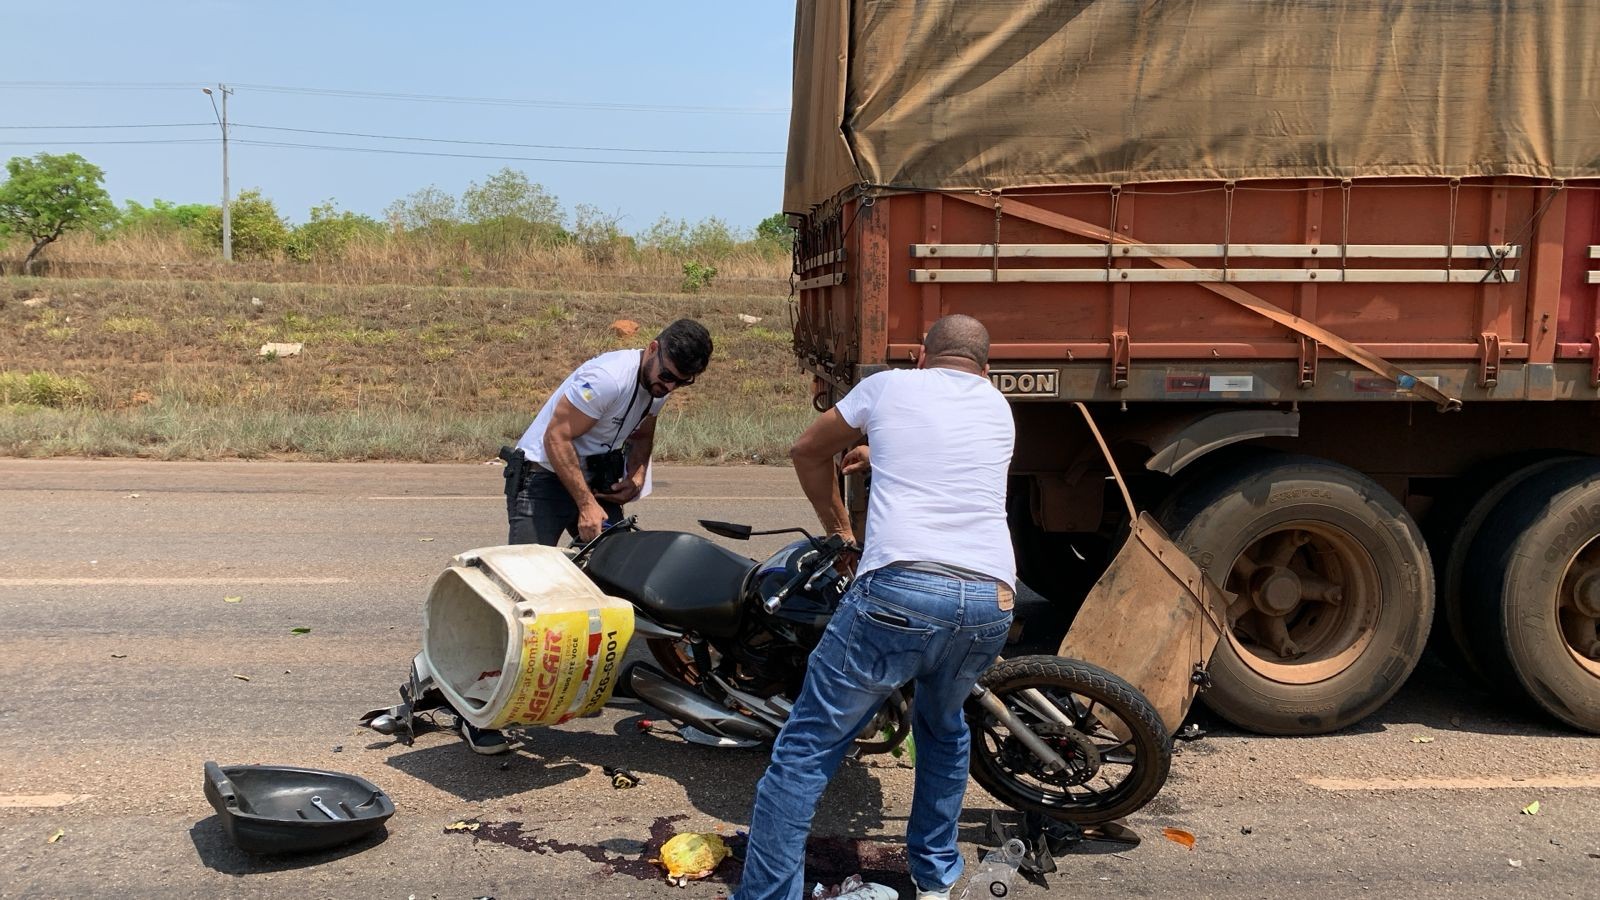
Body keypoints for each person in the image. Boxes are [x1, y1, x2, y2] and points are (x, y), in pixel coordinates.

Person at [733, 314, 1016, 900]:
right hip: (990, 598)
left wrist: (841, 532)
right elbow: (943, 459)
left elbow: (807, 451)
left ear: (919, 356)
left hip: (900, 592)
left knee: (806, 749)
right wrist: (878, 450)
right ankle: (937, 876)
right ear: (986, 369)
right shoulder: (999, 407)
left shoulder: (888, 385)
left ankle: (765, 896)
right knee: (943, 727)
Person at [461, 317, 712, 755]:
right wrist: (585, 506)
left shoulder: (656, 386)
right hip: (541, 478)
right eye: (667, 376)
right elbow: (557, 437)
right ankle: (474, 709)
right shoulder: (608, 377)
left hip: (590, 477)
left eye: (682, 384)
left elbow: (644, 432)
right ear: (652, 349)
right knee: (522, 597)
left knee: (625, 576)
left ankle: (577, 680)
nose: (670, 387)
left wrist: (634, 475)